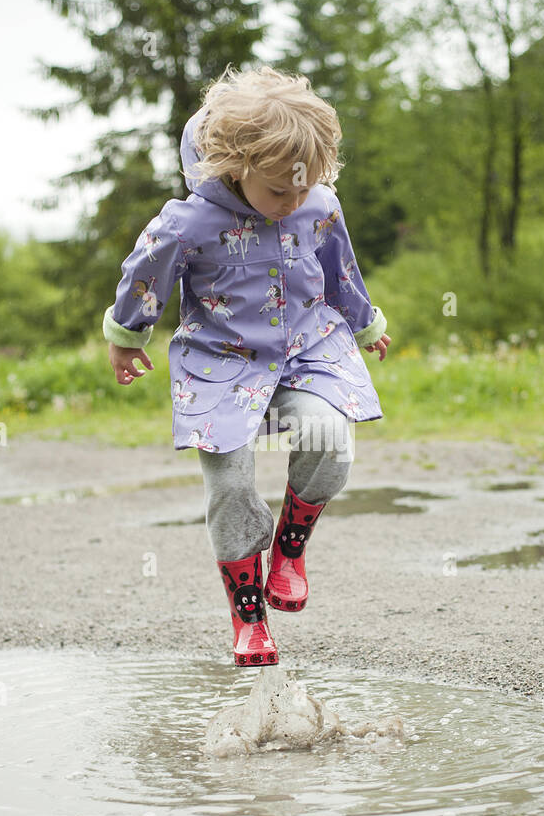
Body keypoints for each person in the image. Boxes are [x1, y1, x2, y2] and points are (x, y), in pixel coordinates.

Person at [103, 64, 391, 666]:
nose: (292, 203)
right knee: (231, 487)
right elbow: (144, 277)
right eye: (278, 192)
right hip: (220, 365)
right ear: (236, 166)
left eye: (303, 188)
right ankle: (249, 616)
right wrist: (128, 336)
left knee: (331, 438)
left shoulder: (317, 205)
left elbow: (342, 269)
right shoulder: (190, 223)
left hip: (306, 353)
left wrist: (365, 325)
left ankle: (289, 548)